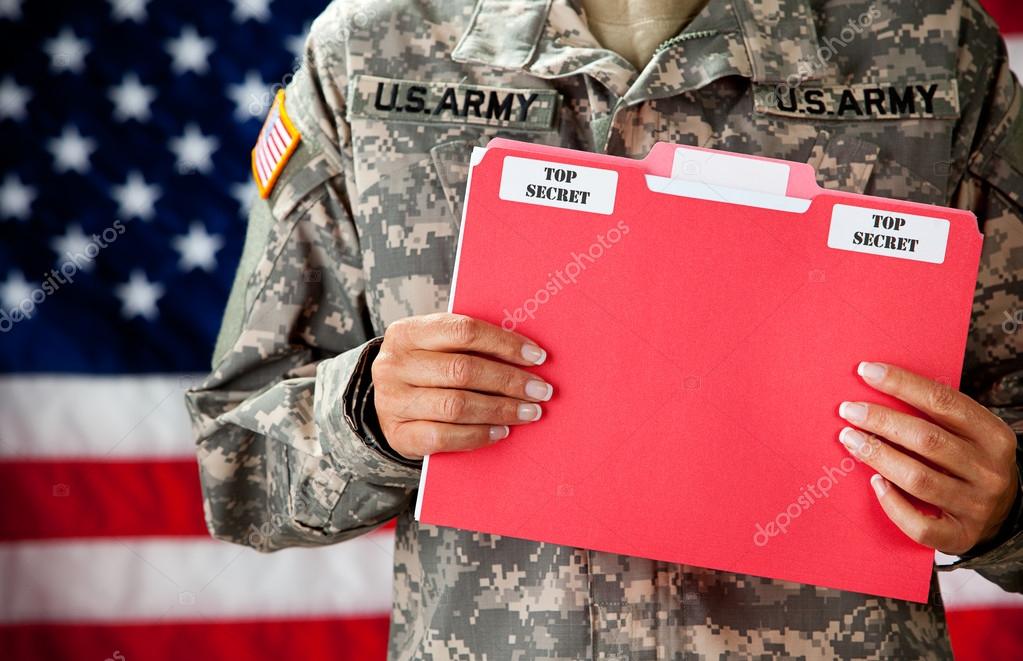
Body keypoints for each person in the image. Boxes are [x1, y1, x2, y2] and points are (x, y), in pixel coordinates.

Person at [185, 0, 1023, 657]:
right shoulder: (370, 50)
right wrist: (363, 410)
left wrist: (1007, 501)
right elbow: (239, 463)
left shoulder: (932, 41)